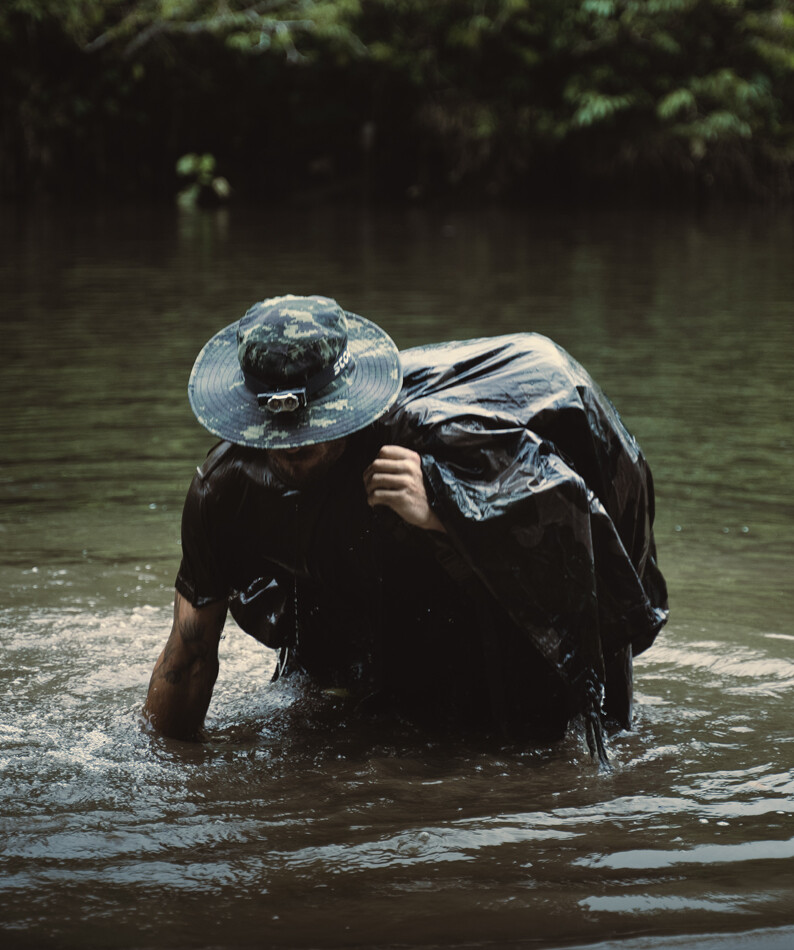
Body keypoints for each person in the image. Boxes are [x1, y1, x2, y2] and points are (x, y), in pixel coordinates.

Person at [143, 294, 668, 757]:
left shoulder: (434, 439)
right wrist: (159, 795)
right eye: (278, 432)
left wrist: (449, 506)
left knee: (529, 740)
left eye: (311, 427)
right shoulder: (222, 491)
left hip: (481, 626)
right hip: (359, 600)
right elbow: (188, 654)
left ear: (343, 399)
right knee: (339, 713)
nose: (296, 448)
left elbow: (574, 539)